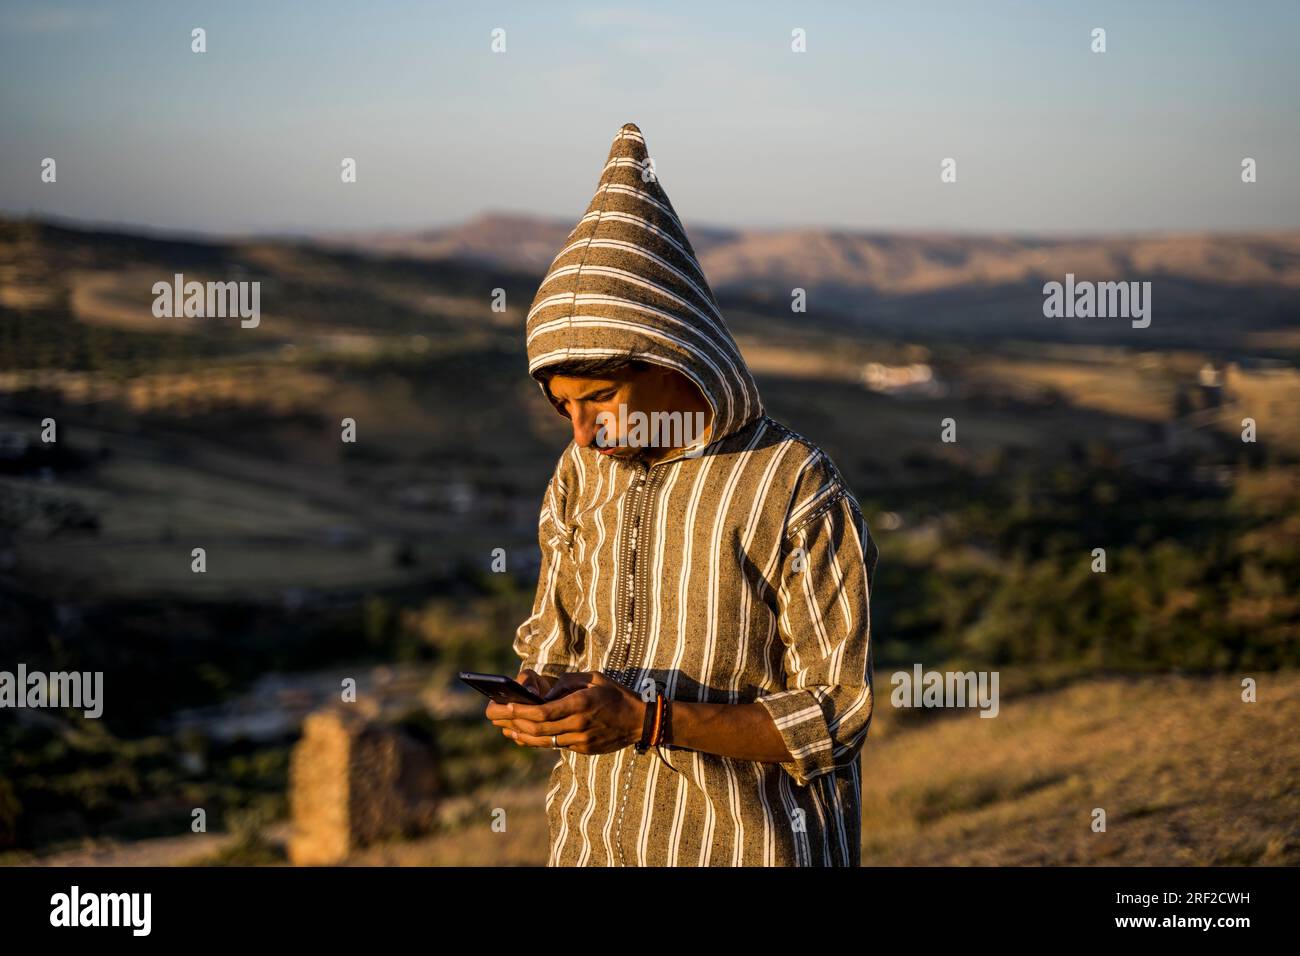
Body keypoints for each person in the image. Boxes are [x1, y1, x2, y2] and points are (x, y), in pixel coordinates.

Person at [485, 122, 879, 866]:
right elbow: (556, 643)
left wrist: (649, 722)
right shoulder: (580, 476)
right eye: (562, 407)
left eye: (600, 397)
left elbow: (835, 718)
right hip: (592, 842)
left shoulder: (793, 485)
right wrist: (542, 699)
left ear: (674, 357)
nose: (581, 432)